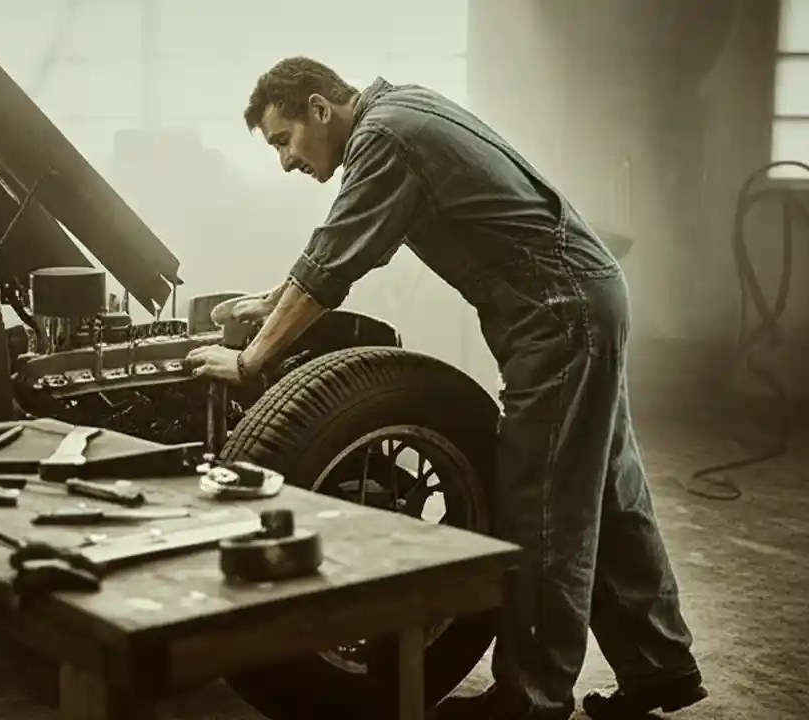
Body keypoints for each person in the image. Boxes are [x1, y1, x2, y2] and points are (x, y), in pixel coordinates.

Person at [183, 57, 707, 720]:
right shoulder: (403, 110)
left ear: (319, 108)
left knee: (542, 504)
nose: (286, 162)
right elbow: (342, 249)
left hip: (558, 313)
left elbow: (333, 259)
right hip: (584, 298)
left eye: (283, 141)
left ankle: (530, 700)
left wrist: (250, 362)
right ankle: (660, 666)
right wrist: (268, 302)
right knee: (604, 485)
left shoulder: (384, 139)